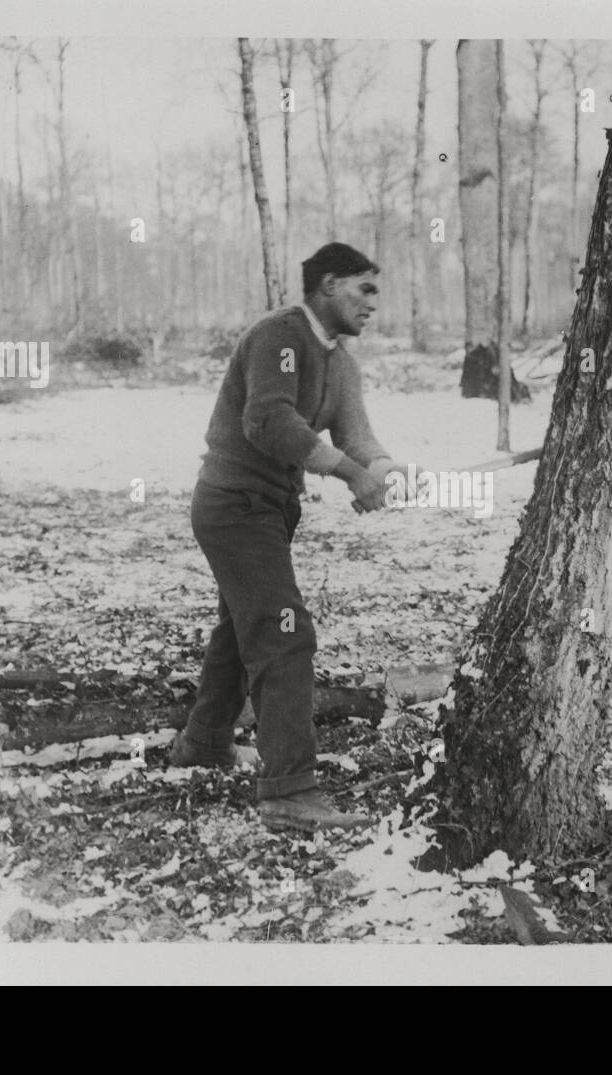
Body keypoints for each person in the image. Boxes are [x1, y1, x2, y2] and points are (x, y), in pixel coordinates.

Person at [172, 242, 405, 833]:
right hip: (233, 506)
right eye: (364, 289)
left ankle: (203, 743)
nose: (374, 304)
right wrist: (349, 474)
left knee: (240, 628)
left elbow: (358, 436)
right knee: (285, 631)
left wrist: (385, 472)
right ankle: (289, 793)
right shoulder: (280, 336)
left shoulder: (340, 360)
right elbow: (268, 420)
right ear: (327, 285)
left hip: (270, 513)